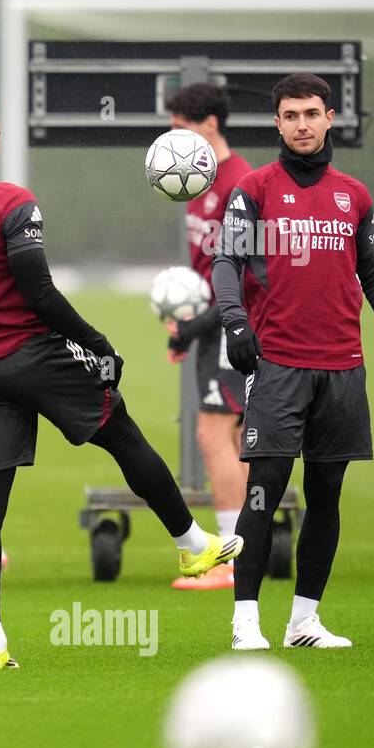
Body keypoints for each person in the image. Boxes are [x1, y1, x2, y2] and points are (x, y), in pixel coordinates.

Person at [0, 90, 243, 670]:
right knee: (123, 435)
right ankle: (191, 547)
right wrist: (98, 344)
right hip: (36, 357)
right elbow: (39, 293)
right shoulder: (11, 201)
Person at [214, 73, 374, 651]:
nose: (302, 124)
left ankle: (304, 621)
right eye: (290, 115)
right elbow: (227, 261)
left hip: (343, 366)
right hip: (279, 363)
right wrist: (235, 321)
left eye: (311, 113)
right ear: (277, 123)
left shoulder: (354, 194)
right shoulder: (254, 189)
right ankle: (246, 624)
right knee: (265, 488)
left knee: (326, 494)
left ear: (329, 117)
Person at [161, 83, 254, 591]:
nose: (172, 138)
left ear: (210, 125)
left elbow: (239, 274)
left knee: (212, 435)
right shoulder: (197, 181)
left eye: (180, 127)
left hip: (232, 322)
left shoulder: (239, 182)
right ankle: (245, 552)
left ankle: (228, 561)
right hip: (214, 323)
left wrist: (196, 326)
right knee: (234, 439)